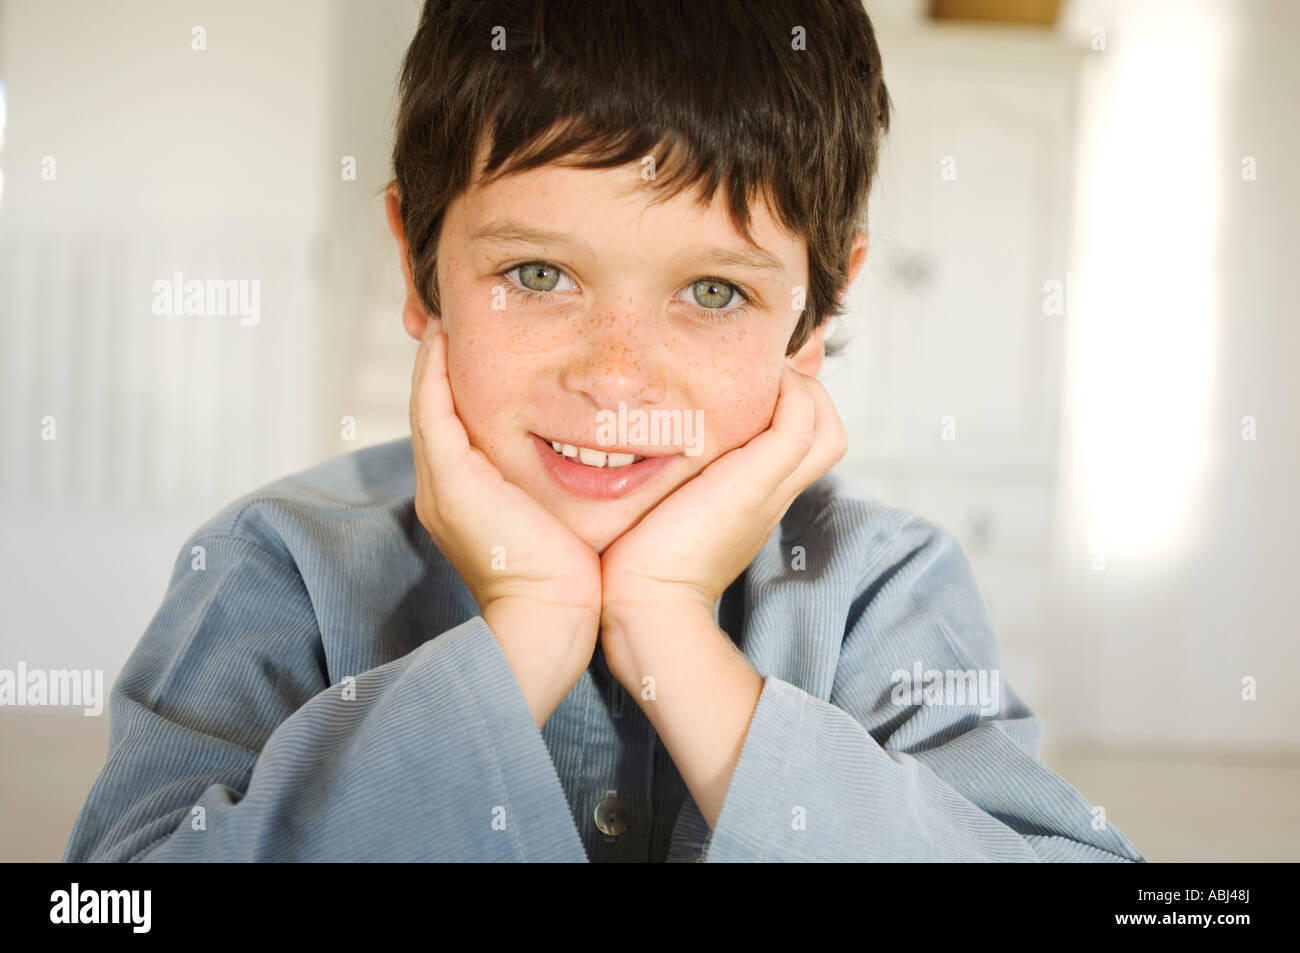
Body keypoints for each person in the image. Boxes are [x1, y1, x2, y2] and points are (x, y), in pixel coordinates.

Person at [64, 0, 1144, 862]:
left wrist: (670, 627)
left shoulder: (881, 583)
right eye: (537, 273)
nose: (616, 377)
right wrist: (530, 622)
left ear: (814, 309)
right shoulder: (276, 564)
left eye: (714, 292)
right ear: (417, 265)